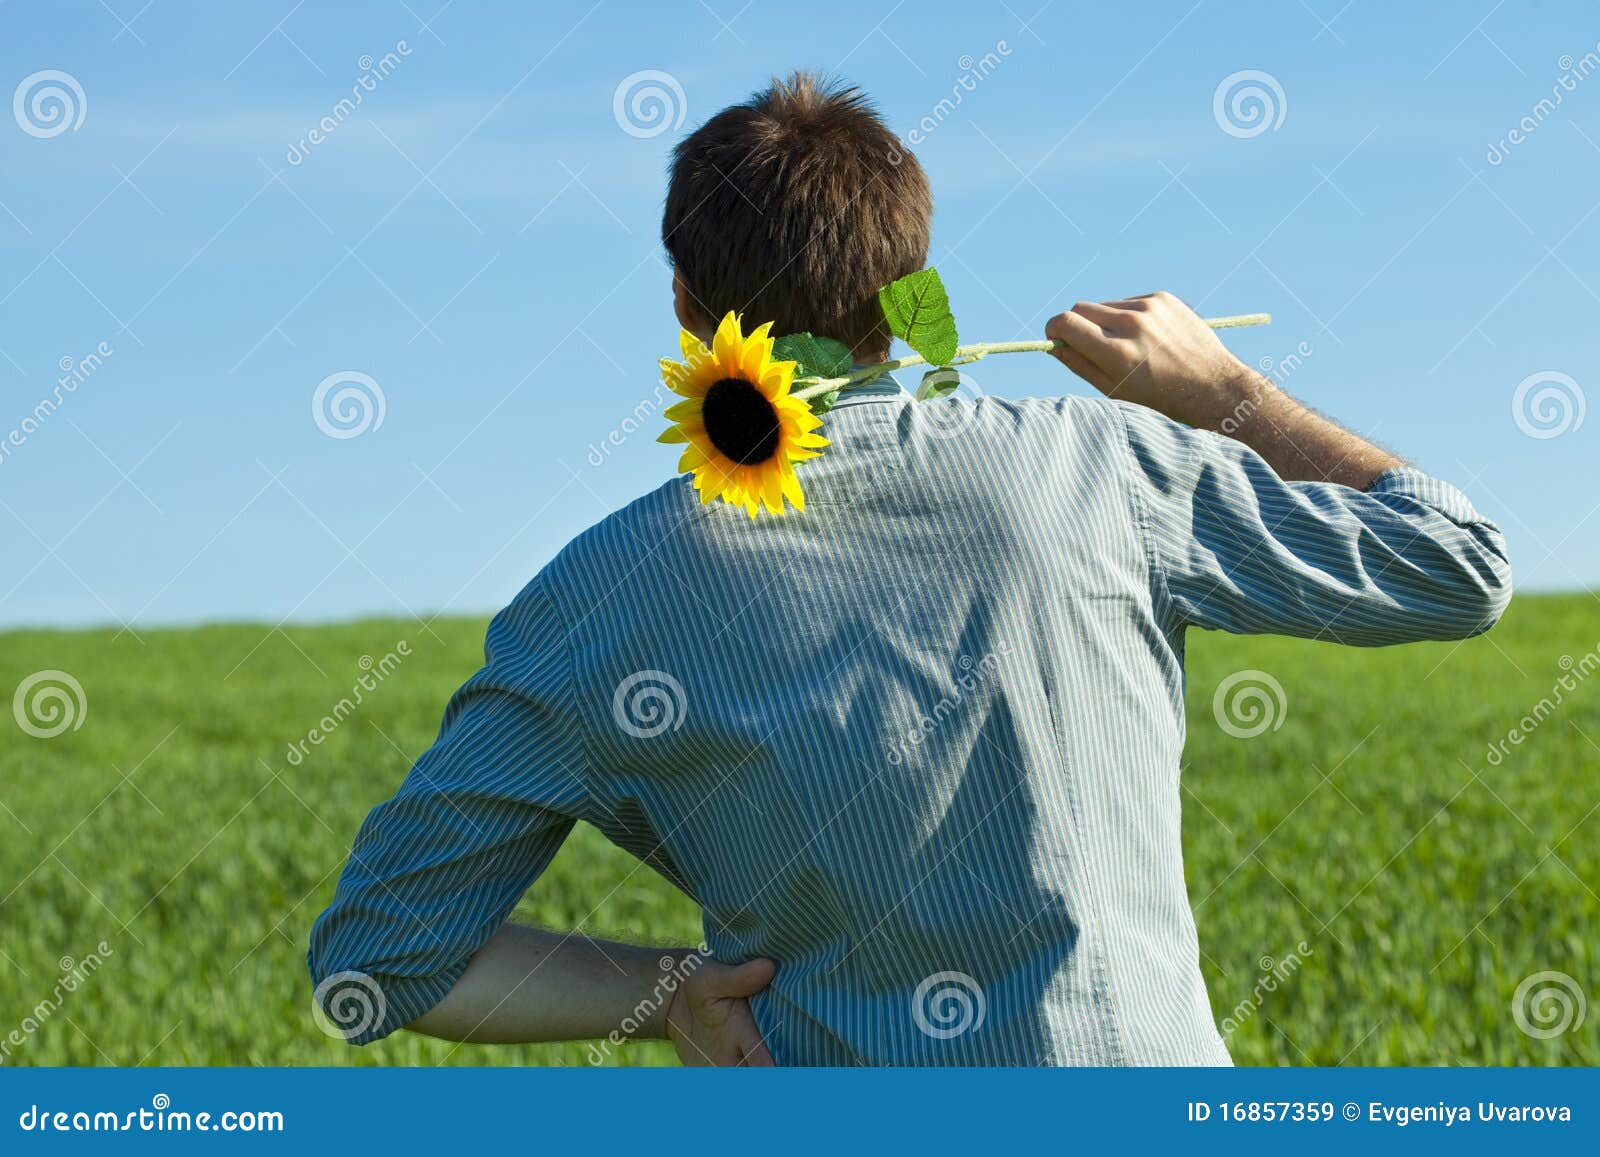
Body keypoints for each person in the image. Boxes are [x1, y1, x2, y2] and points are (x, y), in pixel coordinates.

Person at [308, 72, 1511, 1066]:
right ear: (916, 293)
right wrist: (1225, 395)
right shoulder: (1099, 470)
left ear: (687, 307)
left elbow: (374, 959)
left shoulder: (598, 596)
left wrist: (674, 987)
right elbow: (1456, 564)